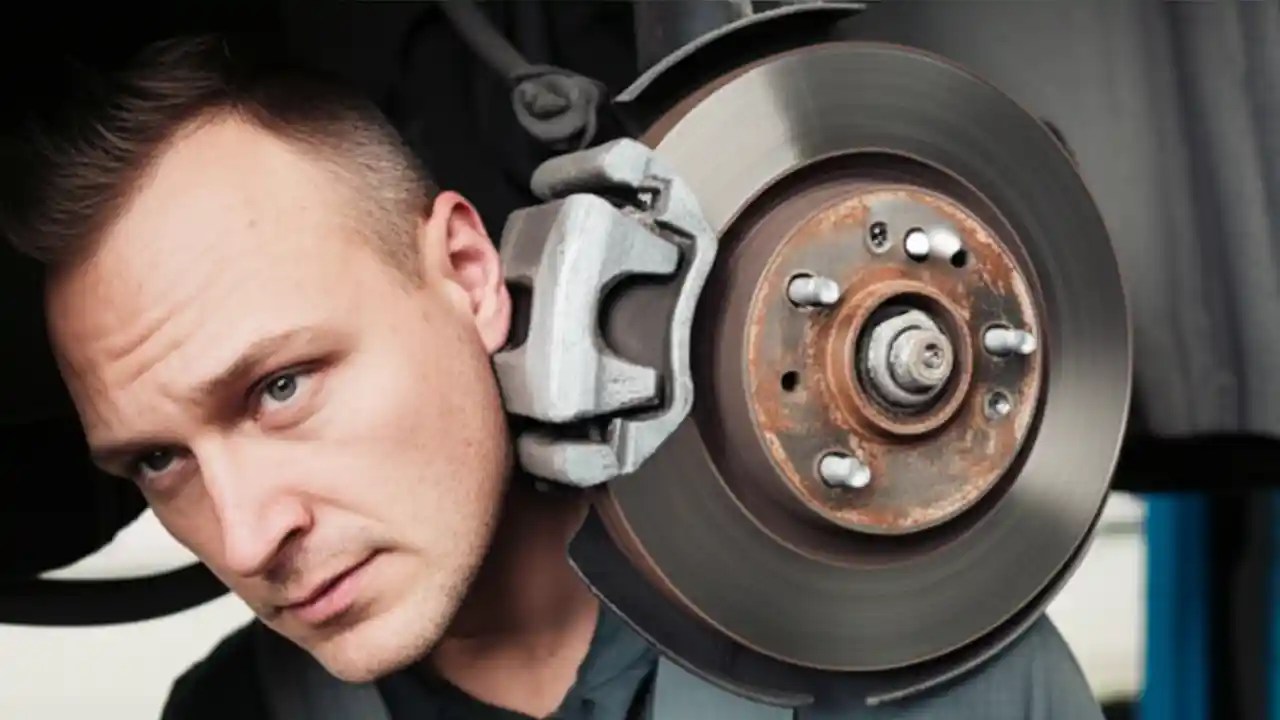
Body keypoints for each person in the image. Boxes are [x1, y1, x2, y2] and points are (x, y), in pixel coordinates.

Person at [0, 32, 1106, 720]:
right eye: (157, 459)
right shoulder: (226, 714)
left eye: (279, 386)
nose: (243, 540)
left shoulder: (955, 688)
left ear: (470, 273)